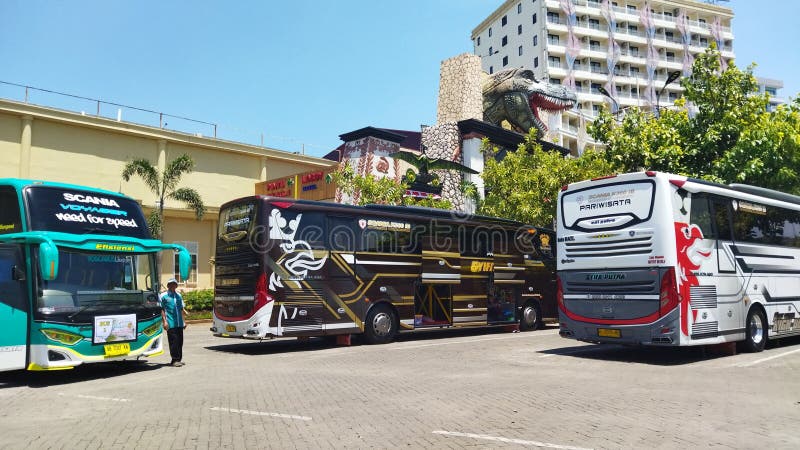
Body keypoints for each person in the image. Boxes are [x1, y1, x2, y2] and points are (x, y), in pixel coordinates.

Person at [161, 278, 188, 366]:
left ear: (176, 286)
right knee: (174, 342)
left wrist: (184, 321)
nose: (173, 286)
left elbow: (181, 309)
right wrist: (164, 322)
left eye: (174, 284)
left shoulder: (179, 296)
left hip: (179, 323)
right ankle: (174, 360)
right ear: (168, 285)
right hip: (170, 323)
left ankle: (179, 359)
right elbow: (162, 310)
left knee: (180, 341)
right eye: (171, 284)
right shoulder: (163, 296)